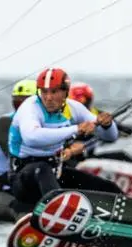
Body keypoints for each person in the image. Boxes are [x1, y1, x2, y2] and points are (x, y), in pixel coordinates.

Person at [8, 67, 123, 208]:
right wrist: (76, 129)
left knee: (108, 188)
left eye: (54, 92)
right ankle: (59, 209)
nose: (48, 98)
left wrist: (107, 125)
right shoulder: (30, 107)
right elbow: (32, 138)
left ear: (65, 92)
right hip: (23, 180)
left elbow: (111, 137)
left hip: (56, 173)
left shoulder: (74, 108)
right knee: (42, 169)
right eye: (44, 92)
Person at [0, 79, 38, 222]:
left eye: (27, 104)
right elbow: (20, 158)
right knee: (27, 210)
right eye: (18, 103)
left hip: (24, 193)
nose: (23, 109)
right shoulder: (5, 124)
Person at [67, 81, 132, 164]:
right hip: (67, 158)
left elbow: (121, 129)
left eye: (84, 101)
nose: (81, 106)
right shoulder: (63, 117)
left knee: (122, 156)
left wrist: (121, 131)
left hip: (88, 159)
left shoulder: (98, 115)